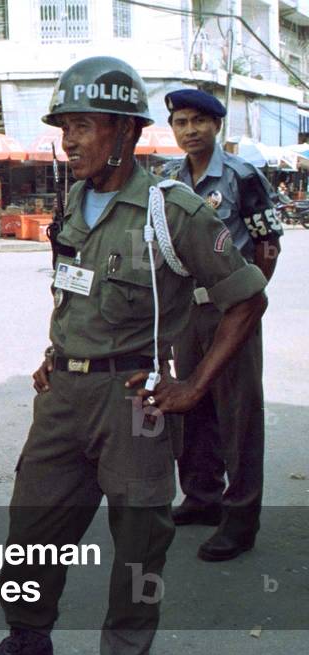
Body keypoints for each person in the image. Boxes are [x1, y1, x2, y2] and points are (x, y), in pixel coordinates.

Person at [0, 57, 268, 655]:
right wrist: (56, 353)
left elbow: (247, 297)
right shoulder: (73, 199)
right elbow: (72, 288)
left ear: (126, 131)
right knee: (32, 526)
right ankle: (28, 640)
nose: (68, 140)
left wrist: (194, 385)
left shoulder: (171, 208)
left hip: (135, 402)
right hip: (64, 397)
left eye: (83, 125)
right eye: (63, 126)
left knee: (137, 547)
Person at [162, 88, 283, 561]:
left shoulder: (242, 177)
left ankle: (241, 519)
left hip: (231, 309)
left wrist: (247, 301)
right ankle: (202, 497)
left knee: (239, 415)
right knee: (191, 404)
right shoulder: (170, 180)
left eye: (198, 121)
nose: (189, 130)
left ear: (216, 125)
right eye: (180, 122)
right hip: (186, 311)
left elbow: (266, 246)